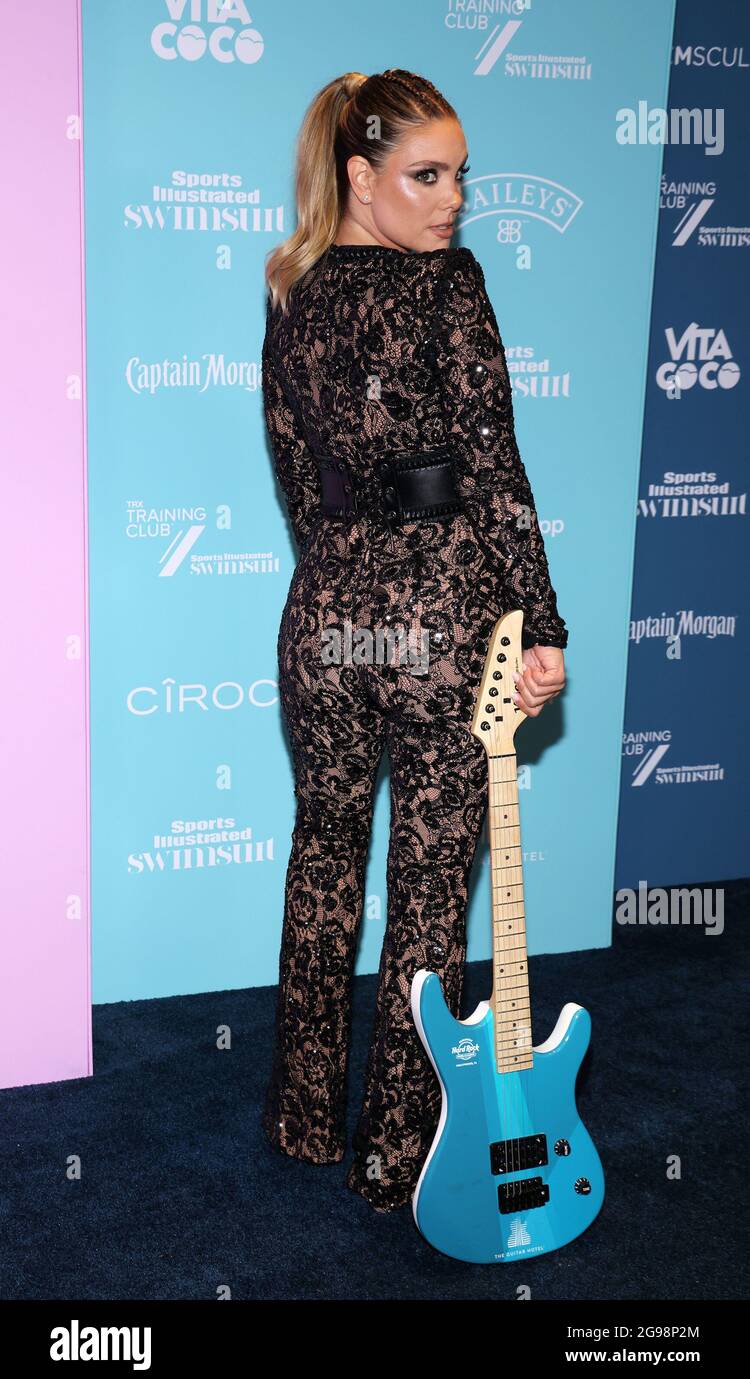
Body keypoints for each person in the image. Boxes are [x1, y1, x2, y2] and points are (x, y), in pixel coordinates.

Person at [260, 68, 568, 1213]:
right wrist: (541, 622)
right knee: (430, 894)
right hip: (440, 619)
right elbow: (494, 463)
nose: (451, 202)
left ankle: (300, 1116)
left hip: (325, 617)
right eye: (425, 175)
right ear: (360, 175)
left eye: (460, 178)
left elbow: (300, 477)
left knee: (324, 855)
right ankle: (393, 1156)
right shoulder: (449, 286)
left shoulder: (288, 286)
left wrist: (348, 572)